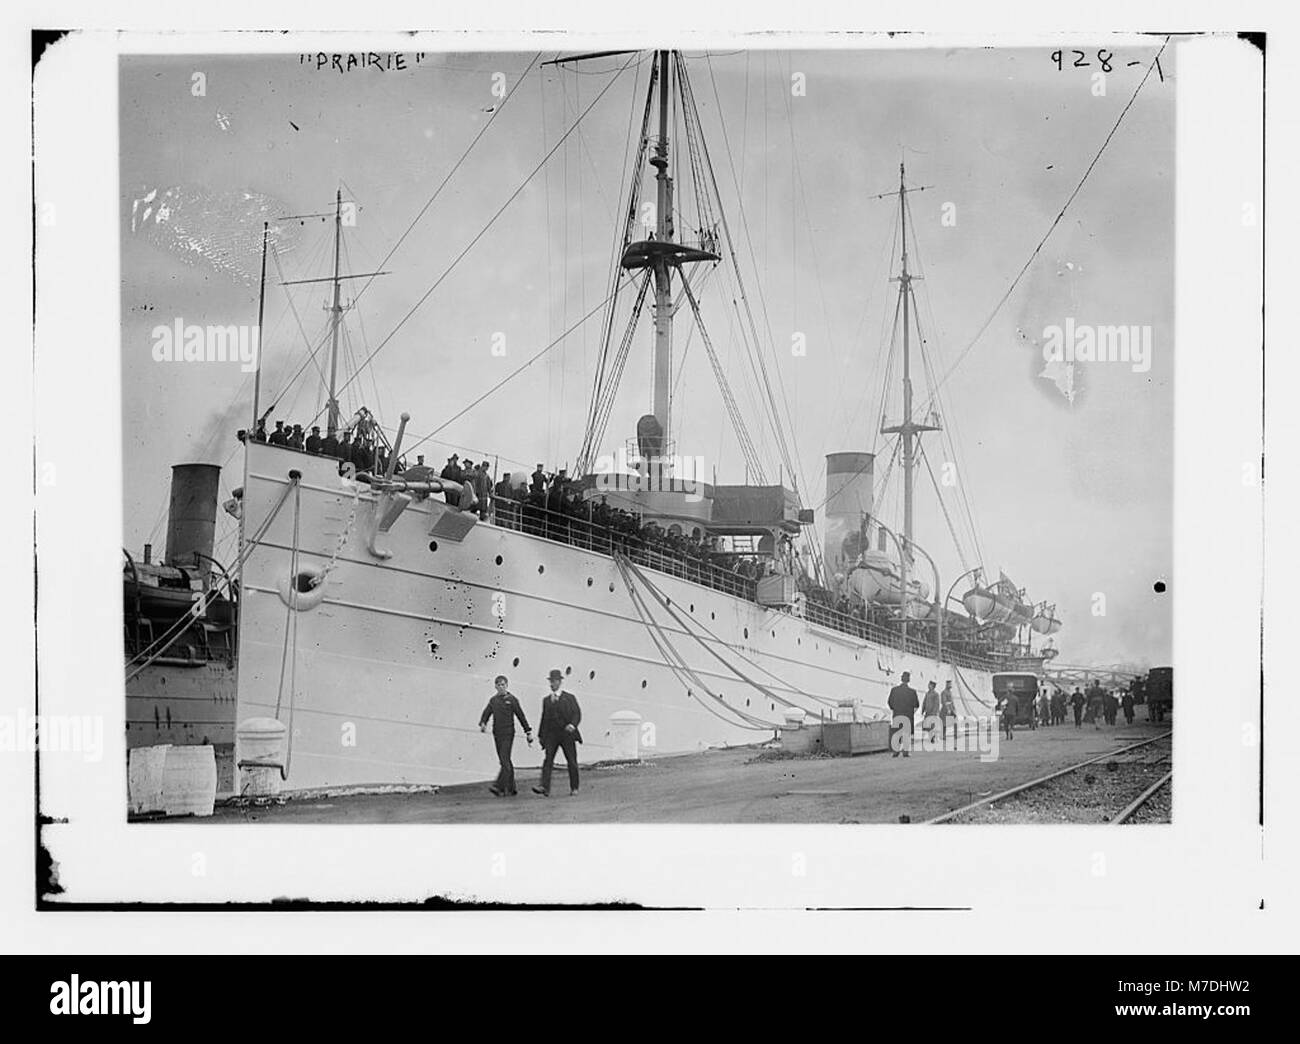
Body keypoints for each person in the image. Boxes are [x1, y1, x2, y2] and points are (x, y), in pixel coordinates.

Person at [478, 675, 533, 797]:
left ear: (507, 685)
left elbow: (521, 716)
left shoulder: (512, 699)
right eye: (498, 685)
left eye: (503, 684)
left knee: (504, 759)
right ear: (495, 686)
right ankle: (511, 788)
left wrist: (528, 731)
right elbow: (487, 713)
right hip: (497, 733)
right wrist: (483, 723)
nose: (501, 687)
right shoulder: (493, 700)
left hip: (508, 733)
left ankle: (499, 786)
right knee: (505, 760)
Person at [533, 669, 582, 796]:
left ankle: (574, 787)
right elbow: (544, 719)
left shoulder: (569, 698)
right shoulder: (546, 700)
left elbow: (577, 713)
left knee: (571, 761)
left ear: (560, 682)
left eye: (554, 681)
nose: (552, 684)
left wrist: (573, 725)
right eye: (551, 681)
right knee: (548, 760)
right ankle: (544, 787)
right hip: (552, 735)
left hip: (567, 734)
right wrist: (541, 736)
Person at [886, 671, 919, 758]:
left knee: (897, 733)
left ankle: (896, 752)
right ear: (908, 680)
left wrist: (895, 709)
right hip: (908, 716)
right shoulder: (912, 692)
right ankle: (905, 752)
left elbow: (889, 702)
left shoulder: (894, 690)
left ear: (901, 679)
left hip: (897, 714)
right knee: (906, 734)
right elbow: (916, 705)